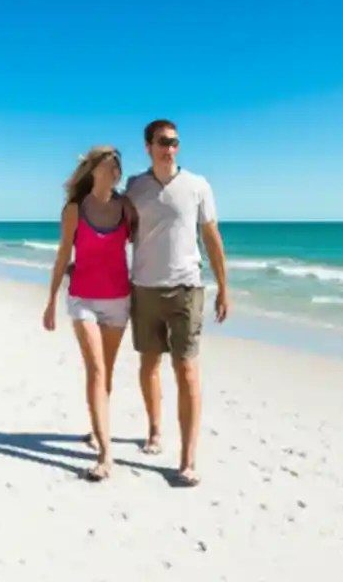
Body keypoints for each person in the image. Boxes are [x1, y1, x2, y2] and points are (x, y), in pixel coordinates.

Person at [125, 119, 228, 487]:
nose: (171, 148)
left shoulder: (198, 185)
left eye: (175, 142)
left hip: (187, 289)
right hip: (145, 288)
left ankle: (187, 459)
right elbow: (118, 231)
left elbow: (211, 237)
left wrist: (224, 286)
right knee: (149, 362)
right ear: (148, 146)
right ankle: (154, 430)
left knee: (186, 369)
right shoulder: (135, 187)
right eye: (163, 142)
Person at [43, 145, 137, 482]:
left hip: (118, 301)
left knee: (106, 374)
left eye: (118, 167)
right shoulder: (74, 210)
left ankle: (97, 428)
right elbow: (62, 255)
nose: (114, 171)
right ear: (93, 169)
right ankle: (105, 454)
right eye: (108, 165)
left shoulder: (127, 209)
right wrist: (51, 300)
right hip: (82, 298)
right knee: (96, 369)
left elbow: (148, 244)